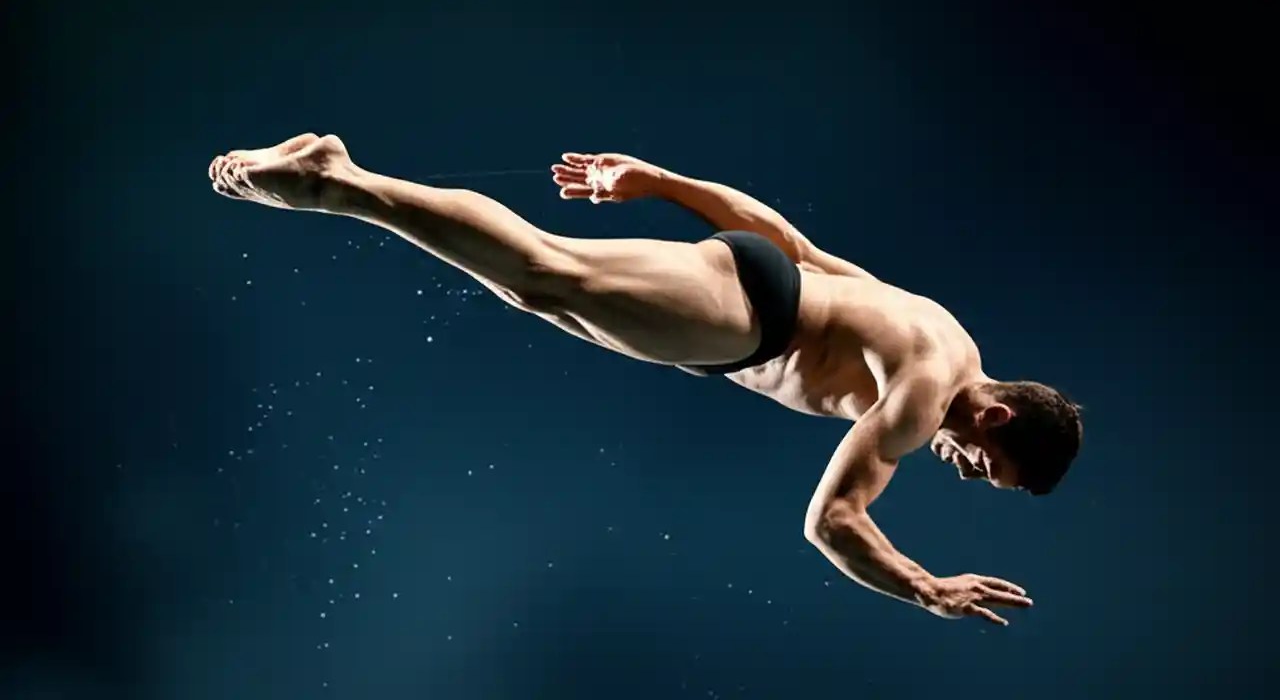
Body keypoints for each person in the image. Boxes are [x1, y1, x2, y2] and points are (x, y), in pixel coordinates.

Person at [208, 133, 1082, 626]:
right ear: (996, 417)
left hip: (746, 307)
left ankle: (346, 185)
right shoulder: (927, 390)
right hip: (748, 315)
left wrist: (663, 183)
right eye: (982, 464)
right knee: (544, 273)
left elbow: (798, 245)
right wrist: (926, 586)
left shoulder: (943, 332)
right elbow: (833, 520)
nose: (961, 468)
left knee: (536, 293)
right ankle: (340, 181)